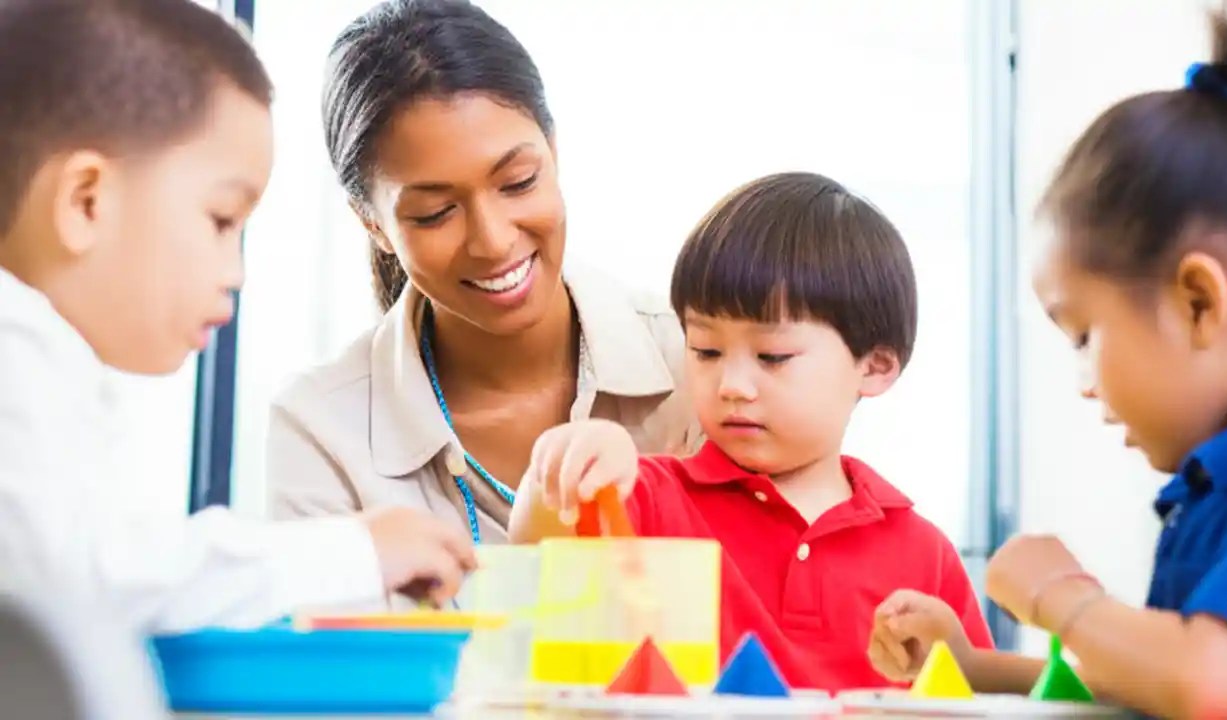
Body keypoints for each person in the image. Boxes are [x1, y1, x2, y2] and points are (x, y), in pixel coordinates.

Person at [0, 0, 474, 634]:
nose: (237, 272)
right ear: (87, 201)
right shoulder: (18, 349)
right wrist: (352, 551)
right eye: (222, 222)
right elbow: (100, 579)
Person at [867, 6, 1227, 718]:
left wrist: (1059, 593)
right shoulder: (1213, 490)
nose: (1085, 386)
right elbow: (1152, 681)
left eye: (1085, 335)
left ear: (1199, 302)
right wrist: (972, 666)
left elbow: (1205, 686)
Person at [509, 172, 992, 691]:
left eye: (772, 357)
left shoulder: (924, 553)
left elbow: (971, 697)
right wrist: (560, 469)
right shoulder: (648, 495)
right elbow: (538, 552)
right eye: (706, 351)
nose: (732, 385)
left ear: (874, 366)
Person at [267, 0, 700, 546]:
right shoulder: (322, 432)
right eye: (435, 214)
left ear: (554, 151)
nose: (493, 241)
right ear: (372, 224)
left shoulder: (698, 363)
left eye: (518, 182)